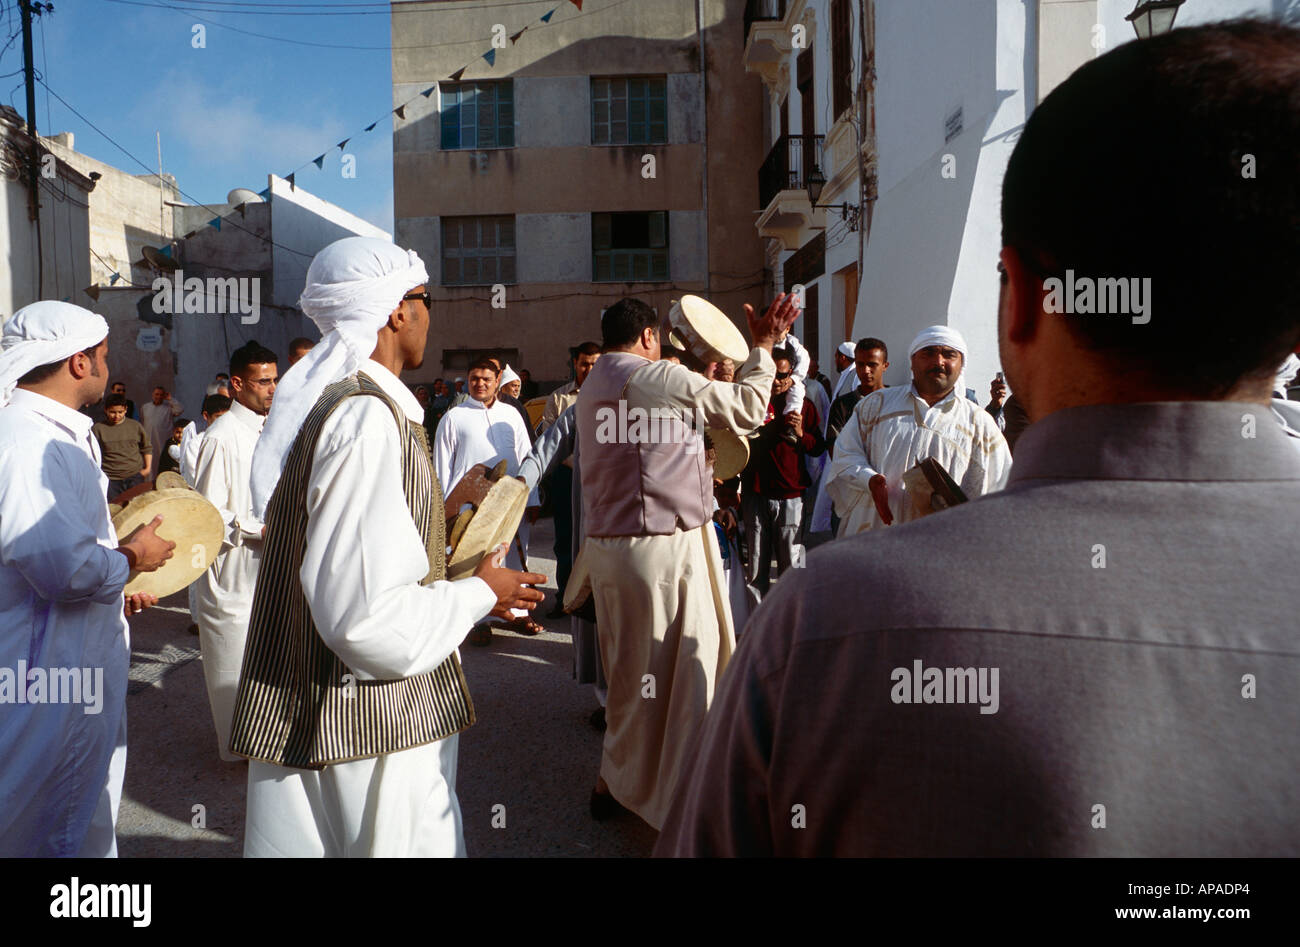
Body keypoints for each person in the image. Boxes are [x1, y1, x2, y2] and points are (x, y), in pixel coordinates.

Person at [657, 19, 1300, 857]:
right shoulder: (873, 421)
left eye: (945, 360)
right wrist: (882, 496)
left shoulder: (824, 629)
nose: (935, 371)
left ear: (1019, 304)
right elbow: (846, 467)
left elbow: (996, 488)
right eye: (927, 360)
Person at [230, 236, 544, 857]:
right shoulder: (366, 420)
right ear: (397, 310)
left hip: (339, 715)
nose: (429, 315)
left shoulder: (340, 409)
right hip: (370, 731)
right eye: (425, 299)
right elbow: (366, 620)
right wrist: (483, 591)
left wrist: (457, 564)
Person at [575, 293, 798, 828]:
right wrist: (762, 347)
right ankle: (677, 808)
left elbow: (666, 435)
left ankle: (612, 781)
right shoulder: (651, 377)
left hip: (612, 550)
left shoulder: (594, 384)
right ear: (649, 336)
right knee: (681, 685)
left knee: (633, 679)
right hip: (660, 552)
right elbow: (747, 408)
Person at [0, 301, 173, 857]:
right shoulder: (27, 440)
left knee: (76, 812)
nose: (106, 365)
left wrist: (115, 589)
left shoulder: (50, 432)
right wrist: (132, 555)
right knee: (49, 821)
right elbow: (62, 568)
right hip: (47, 673)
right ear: (78, 363)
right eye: (101, 355)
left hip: (68, 659)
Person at [826, 325, 1011, 535]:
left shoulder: (980, 425)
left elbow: (999, 488)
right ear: (912, 361)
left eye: (949, 354)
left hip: (941, 548)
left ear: (961, 365)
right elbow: (845, 452)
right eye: (928, 353)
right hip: (875, 539)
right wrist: (869, 479)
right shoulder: (875, 405)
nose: (938, 362)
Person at [191, 340, 278, 763]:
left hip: (272, 568)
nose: (272, 389)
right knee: (233, 666)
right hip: (234, 571)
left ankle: (266, 744)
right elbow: (206, 513)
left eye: (276, 379)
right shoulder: (220, 437)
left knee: (269, 664)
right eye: (264, 381)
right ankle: (241, 754)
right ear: (238, 383)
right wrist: (254, 527)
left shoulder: (274, 430)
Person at [433, 358, 540, 643]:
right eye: (474, 379)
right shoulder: (453, 417)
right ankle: (477, 621)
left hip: (509, 499)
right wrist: (445, 506)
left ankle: (519, 614)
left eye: (485, 379)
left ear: (497, 381)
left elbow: (527, 456)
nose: (479, 383)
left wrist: (532, 498)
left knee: (513, 555)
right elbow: (442, 465)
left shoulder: (511, 415)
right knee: (472, 559)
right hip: (468, 503)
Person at [741, 349, 825, 607]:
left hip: (792, 497)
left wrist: (801, 433)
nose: (776, 381)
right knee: (756, 567)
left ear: (792, 375)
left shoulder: (803, 406)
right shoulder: (748, 406)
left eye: (782, 375)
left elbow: (818, 447)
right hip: (756, 494)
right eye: (771, 375)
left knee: (795, 565)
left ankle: (793, 620)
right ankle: (758, 627)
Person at [541, 341, 601, 614]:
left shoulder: (613, 396)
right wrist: (577, 464)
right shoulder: (559, 398)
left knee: (600, 536)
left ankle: (597, 597)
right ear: (575, 364)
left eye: (595, 363)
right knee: (565, 539)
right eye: (584, 363)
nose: (589, 368)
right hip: (567, 478)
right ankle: (565, 599)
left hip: (603, 479)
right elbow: (549, 441)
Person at [810, 337, 890, 536]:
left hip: (889, 490)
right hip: (852, 492)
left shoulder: (896, 402)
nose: (866, 371)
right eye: (860, 364)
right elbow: (836, 449)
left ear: (885, 366)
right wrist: (862, 475)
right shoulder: (843, 405)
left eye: (872, 365)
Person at [92, 393, 153, 501]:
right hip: (111, 480)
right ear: (106, 410)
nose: (116, 416)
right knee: (114, 510)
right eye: (112, 412)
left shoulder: (135, 426)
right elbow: (92, 454)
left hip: (134, 477)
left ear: (125, 409)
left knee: (137, 509)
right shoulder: (98, 429)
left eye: (120, 412)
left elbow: (146, 447)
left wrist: (147, 469)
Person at [179, 393, 231, 485]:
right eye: (219, 417)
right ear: (206, 416)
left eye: (226, 418)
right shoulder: (196, 444)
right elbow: (195, 477)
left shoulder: (233, 440)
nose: (224, 423)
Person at [139, 385, 183, 472]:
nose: (158, 397)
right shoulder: (145, 407)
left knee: (162, 462)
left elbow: (180, 409)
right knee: (149, 463)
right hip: (149, 440)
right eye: (156, 394)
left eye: (161, 395)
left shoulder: (168, 408)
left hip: (163, 440)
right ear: (153, 395)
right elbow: (142, 422)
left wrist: (170, 399)